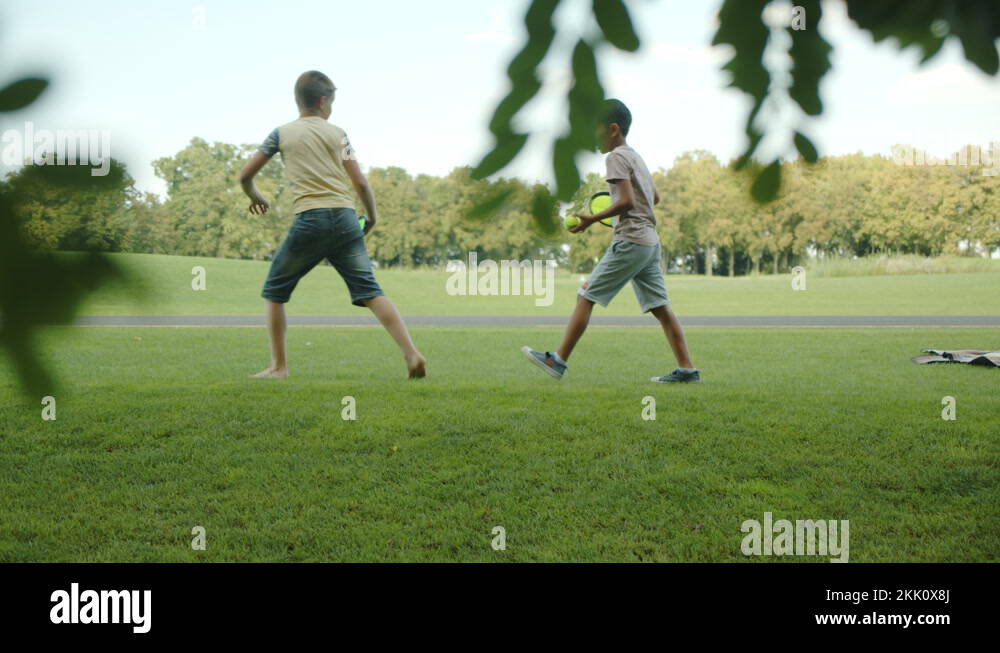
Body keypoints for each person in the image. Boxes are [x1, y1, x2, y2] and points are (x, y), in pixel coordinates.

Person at [238, 70, 426, 379]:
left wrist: (256, 196)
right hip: (345, 218)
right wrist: (372, 216)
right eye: (332, 103)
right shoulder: (339, 134)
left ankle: (279, 367)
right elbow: (360, 182)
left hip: (310, 219)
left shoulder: (280, 134)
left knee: (274, 291)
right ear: (322, 101)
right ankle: (412, 354)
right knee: (371, 291)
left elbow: (245, 175)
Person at [521, 99, 698, 383]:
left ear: (613, 129)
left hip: (631, 241)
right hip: (650, 243)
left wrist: (592, 219)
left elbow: (626, 201)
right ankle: (687, 370)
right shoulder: (636, 157)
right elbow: (654, 198)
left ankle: (558, 361)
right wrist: (624, 212)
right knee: (661, 307)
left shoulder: (614, 157)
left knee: (585, 295)